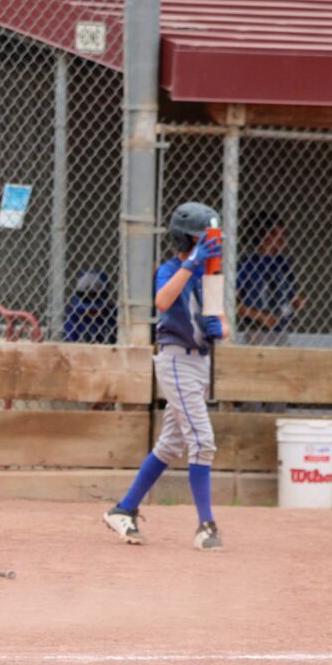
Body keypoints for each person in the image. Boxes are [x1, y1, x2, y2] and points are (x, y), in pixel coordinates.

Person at [102, 201, 227, 552]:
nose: (209, 246)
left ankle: (124, 509)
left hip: (200, 364)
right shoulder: (171, 269)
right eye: (202, 240)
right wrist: (191, 263)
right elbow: (162, 300)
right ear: (186, 239)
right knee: (202, 440)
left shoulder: (210, 276)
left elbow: (222, 321)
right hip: (175, 362)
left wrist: (219, 327)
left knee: (171, 444)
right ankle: (205, 525)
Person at [236, 210, 305, 346]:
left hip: (282, 329)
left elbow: (292, 296)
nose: (281, 238)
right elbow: (233, 304)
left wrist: (297, 301)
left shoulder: (283, 264)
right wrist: (259, 316)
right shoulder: (248, 265)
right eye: (274, 234)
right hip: (257, 330)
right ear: (263, 235)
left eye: (282, 233)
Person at [61, 269, 116, 345]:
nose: (91, 312)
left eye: (95, 310)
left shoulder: (113, 314)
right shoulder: (73, 315)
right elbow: (69, 343)